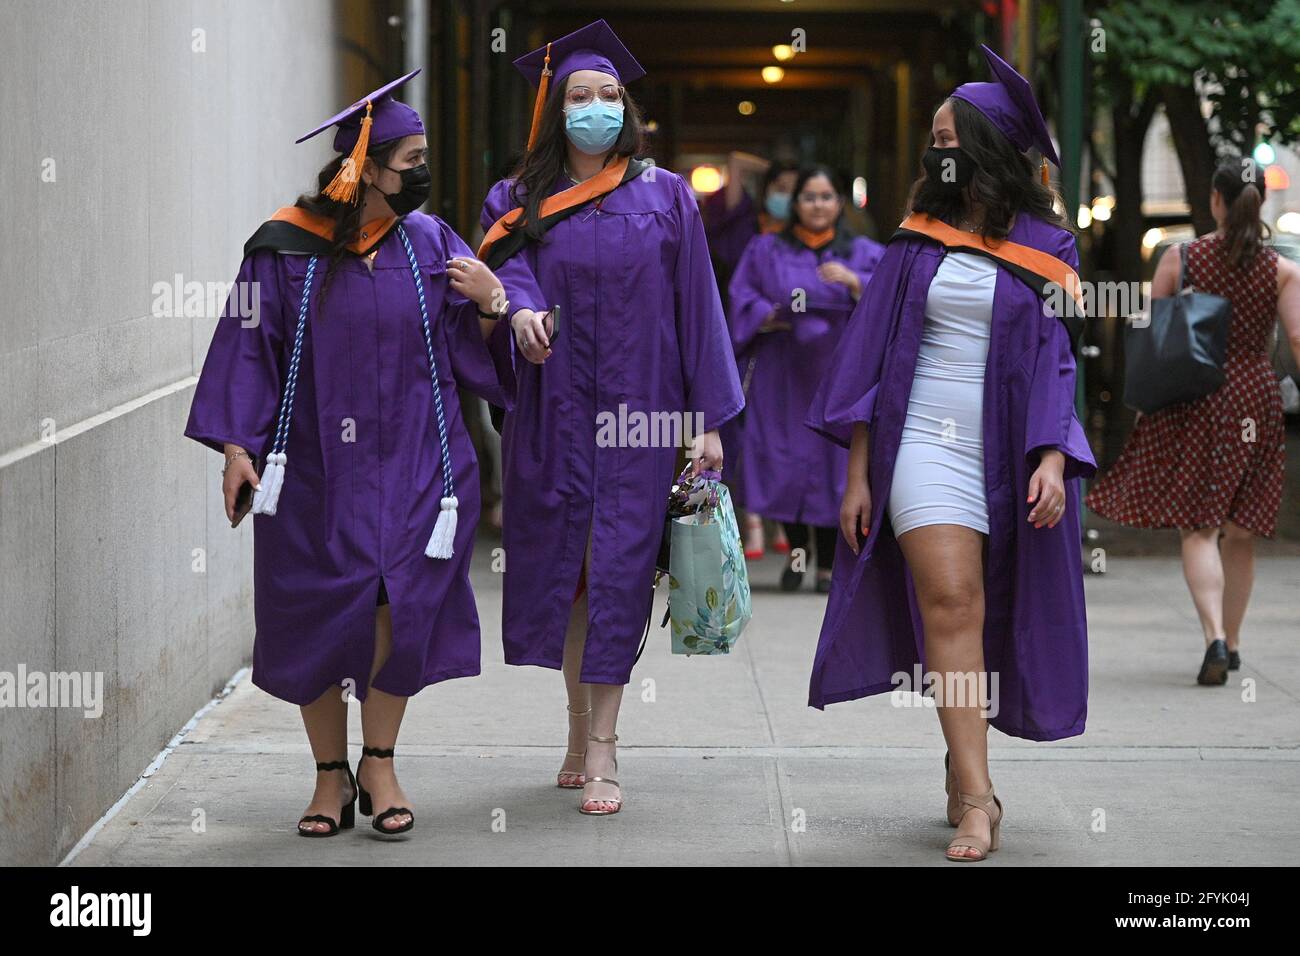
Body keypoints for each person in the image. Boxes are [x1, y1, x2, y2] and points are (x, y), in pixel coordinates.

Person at [185, 70, 525, 837]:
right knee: (318, 609)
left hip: (416, 465)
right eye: (411, 162)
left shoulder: (431, 241)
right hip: (310, 468)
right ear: (363, 168)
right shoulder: (282, 249)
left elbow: (476, 356)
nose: (422, 176)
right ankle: (328, 776)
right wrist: (236, 447)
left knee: (394, 603)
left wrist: (490, 303)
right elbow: (247, 350)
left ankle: (380, 759)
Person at [804, 45, 1095, 861]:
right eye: (934, 135)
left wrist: (1051, 457)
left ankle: (959, 744)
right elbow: (866, 358)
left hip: (1007, 441)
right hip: (921, 442)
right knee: (951, 602)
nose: (938, 149)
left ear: (988, 143)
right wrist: (860, 474)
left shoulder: (1050, 248)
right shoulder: (913, 240)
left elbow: (1055, 360)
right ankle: (978, 796)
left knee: (993, 606)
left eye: (948, 134)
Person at [478, 19, 743, 815]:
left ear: (625, 108)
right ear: (555, 112)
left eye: (607, 95)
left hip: (643, 418)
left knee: (622, 570)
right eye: (578, 97)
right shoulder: (517, 199)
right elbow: (503, 273)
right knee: (573, 578)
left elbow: (698, 307)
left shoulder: (664, 197)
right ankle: (574, 726)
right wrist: (517, 311)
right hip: (555, 413)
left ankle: (604, 747)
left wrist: (707, 420)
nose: (593, 108)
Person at [1086, 159, 1300, 684]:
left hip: (1198, 399)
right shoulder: (1282, 270)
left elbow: (1149, 331)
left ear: (1216, 201)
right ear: (1259, 202)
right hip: (1256, 398)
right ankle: (1236, 638)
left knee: (1199, 527)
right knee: (1242, 531)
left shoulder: (1182, 258)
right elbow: (1296, 342)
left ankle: (1214, 639)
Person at [727, 164, 885, 591]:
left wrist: (855, 283)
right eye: (809, 197)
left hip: (841, 375)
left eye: (826, 197)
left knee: (837, 466)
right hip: (784, 376)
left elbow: (893, 300)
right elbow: (742, 297)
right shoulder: (765, 250)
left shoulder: (865, 253)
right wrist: (767, 315)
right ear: (795, 204)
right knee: (785, 462)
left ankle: (828, 565)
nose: (818, 206)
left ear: (840, 203)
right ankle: (797, 556)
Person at [702, 154, 799, 559]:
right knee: (747, 433)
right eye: (780, 189)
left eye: (796, 191)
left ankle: (781, 522)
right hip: (747, 344)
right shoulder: (748, 227)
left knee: (789, 437)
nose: (788, 198)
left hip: (795, 355)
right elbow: (734, 167)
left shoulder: (817, 236)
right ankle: (754, 523)